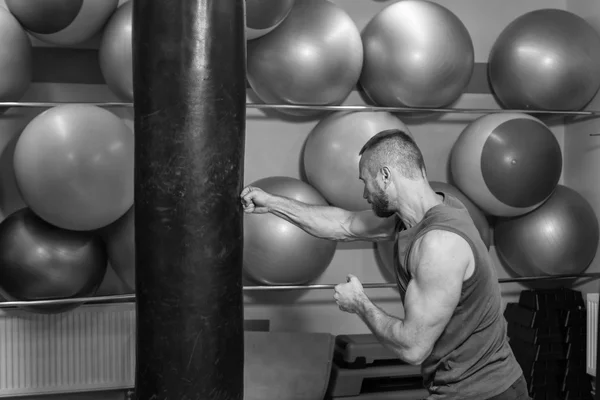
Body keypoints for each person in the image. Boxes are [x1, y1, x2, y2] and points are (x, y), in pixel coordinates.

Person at [240, 128, 529, 400]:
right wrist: (272, 203)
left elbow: (413, 347)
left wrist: (360, 304)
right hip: (465, 387)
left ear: (386, 176)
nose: (365, 193)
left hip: (484, 392)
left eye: (365, 181)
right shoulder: (418, 214)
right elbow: (344, 223)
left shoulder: (439, 245)